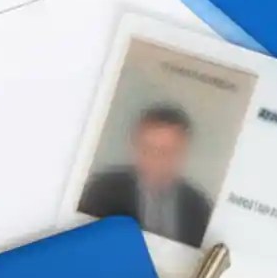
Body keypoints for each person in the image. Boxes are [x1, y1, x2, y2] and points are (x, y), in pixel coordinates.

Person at [79, 104, 214, 248]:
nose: (156, 160)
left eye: (166, 152)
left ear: (182, 155)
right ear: (135, 148)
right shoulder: (101, 191)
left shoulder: (199, 207)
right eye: (147, 149)